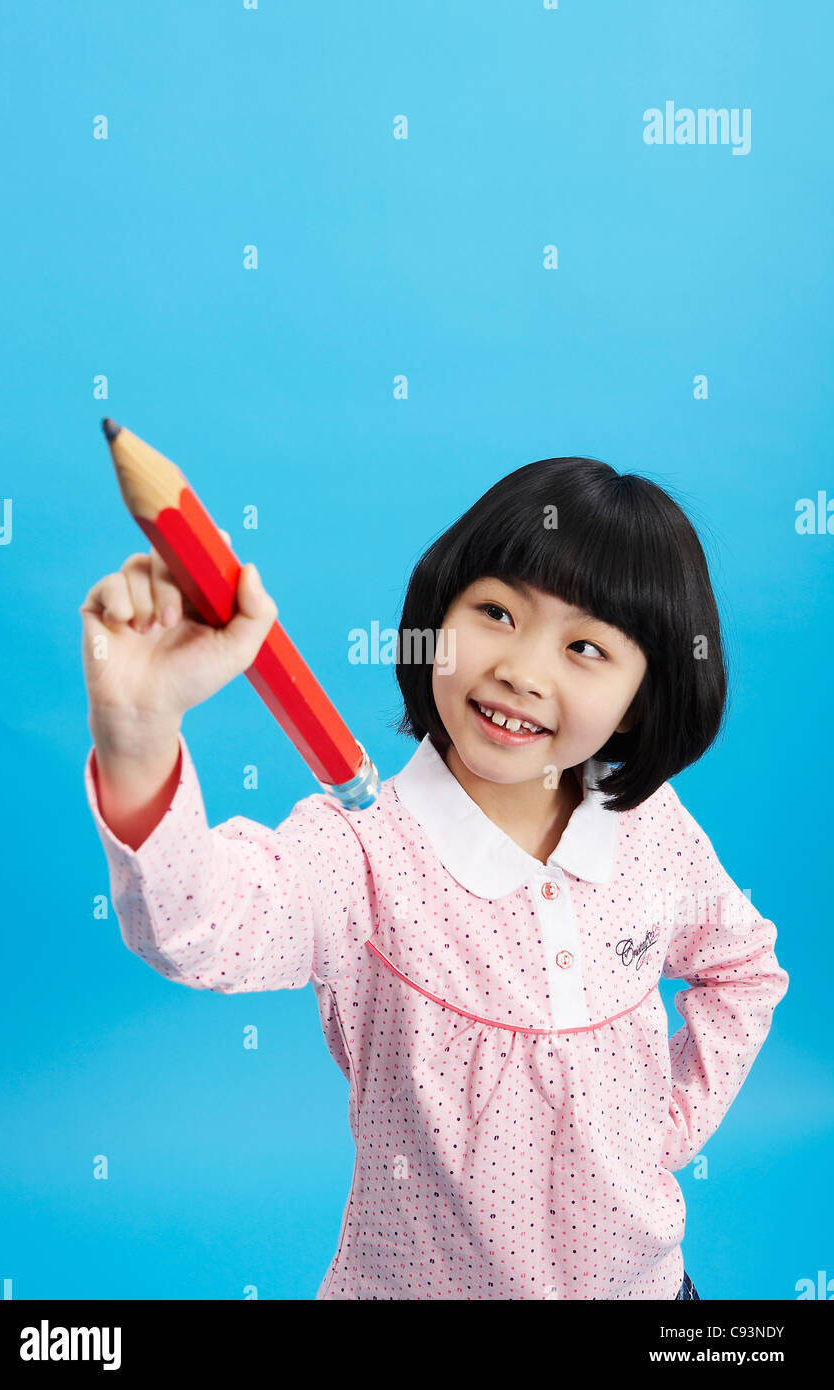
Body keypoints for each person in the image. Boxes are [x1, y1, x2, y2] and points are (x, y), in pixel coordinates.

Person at [79, 455, 788, 1300]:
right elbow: (199, 929)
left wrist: (663, 1129)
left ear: (640, 699)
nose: (523, 670)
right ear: (433, 619)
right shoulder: (363, 855)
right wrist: (137, 729)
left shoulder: (650, 826)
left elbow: (743, 968)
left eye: (586, 647)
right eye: (495, 612)